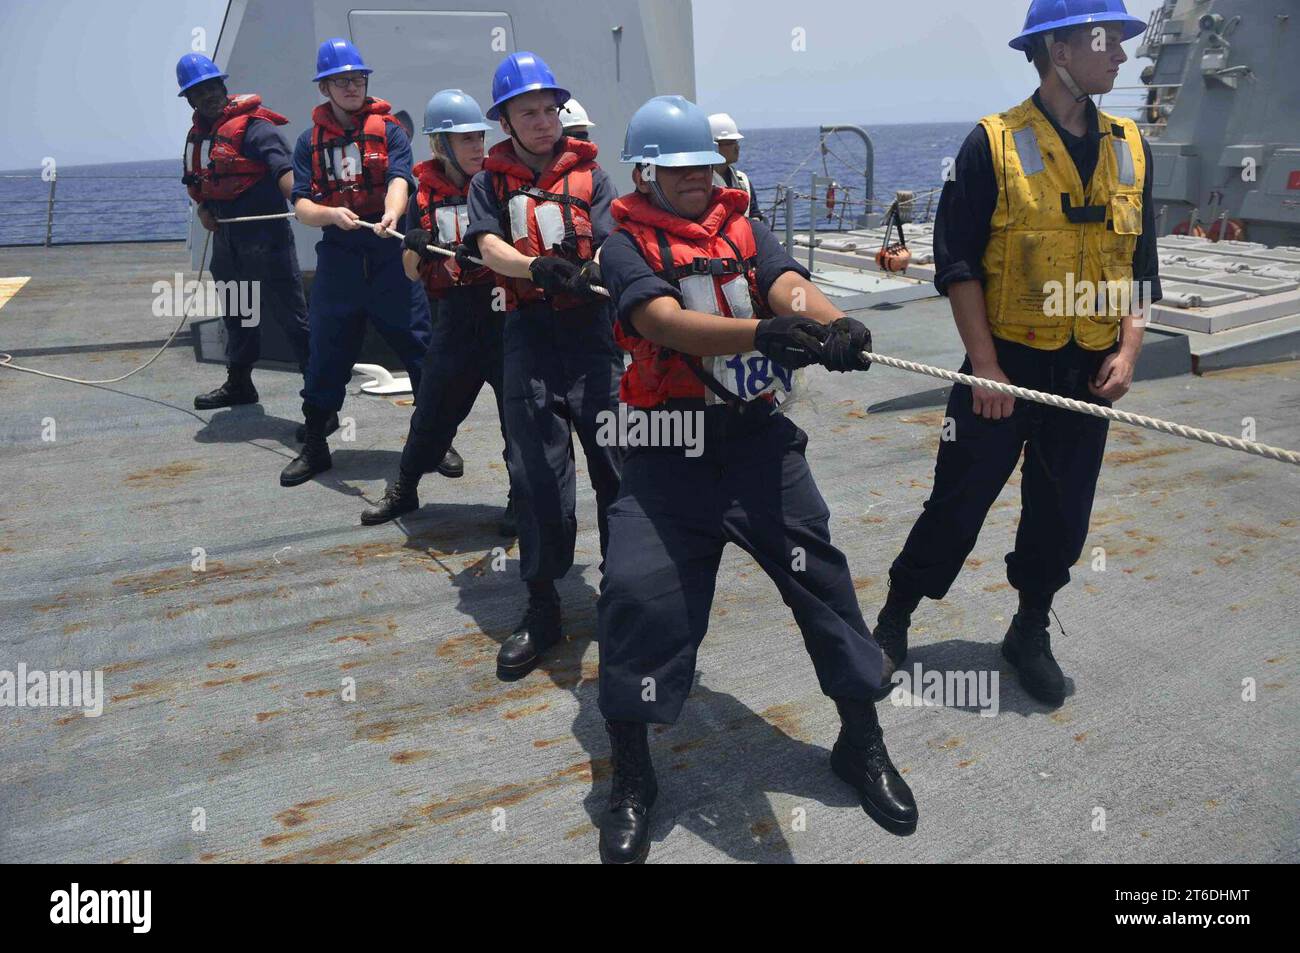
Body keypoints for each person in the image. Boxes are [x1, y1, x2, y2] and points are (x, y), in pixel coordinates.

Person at [592, 95, 917, 864]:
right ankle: (633, 775)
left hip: (757, 445)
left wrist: (833, 321)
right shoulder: (621, 244)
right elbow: (662, 322)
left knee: (826, 587)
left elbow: (784, 282)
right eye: (679, 171)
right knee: (639, 598)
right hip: (664, 448)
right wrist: (764, 333)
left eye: (705, 165)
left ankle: (860, 742)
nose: (698, 179)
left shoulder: (743, 225)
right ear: (645, 173)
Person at [872, 0, 1161, 707]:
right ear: (1058, 51)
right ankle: (896, 611)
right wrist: (987, 365)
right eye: (1107, 42)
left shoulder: (1133, 145)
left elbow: (1142, 266)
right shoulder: (991, 144)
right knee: (956, 505)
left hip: (1089, 374)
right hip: (1005, 366)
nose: (1122, 57)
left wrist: (1129, 349)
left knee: (1062, 516)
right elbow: (959, 265)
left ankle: (1029, 627)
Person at [462, 52, 622, 680]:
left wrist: (593, 267)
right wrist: (534, 268)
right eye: (526, 112)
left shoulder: (595, 176)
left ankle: (622, 590)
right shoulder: (487, 184)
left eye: (549, 110)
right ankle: (543, 603)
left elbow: (611, 236)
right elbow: (486, 246)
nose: (541, 121)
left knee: (617, 466)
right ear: (504, 119)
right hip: (528, 334)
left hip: (593, 335)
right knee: (536, 475)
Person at [280, 38, 434, 487]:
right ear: (325, 87)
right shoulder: (308, 142)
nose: (352, 87)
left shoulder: (390, 132)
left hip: (389, 252)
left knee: (419, 344)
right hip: (340, 257)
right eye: (342, 80)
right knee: (326, 349)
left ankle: (433, 439)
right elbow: (303, 206)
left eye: (358, 79)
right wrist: (331, 215)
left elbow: (400, 181)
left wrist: (391, 213)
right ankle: (315, 444)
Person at [361, 89, 513, 535]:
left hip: (505, 318)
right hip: (455, 318)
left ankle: (520, 498)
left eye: (478, 138)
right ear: (439, 145)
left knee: (519, 420)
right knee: (430, 413)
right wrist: (415, 245)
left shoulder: (500, 185)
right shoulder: (423, 195)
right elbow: (411, 274)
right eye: (464, 140)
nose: (477, 148)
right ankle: (405, 489)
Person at [177, 53, 311, 423]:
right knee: (239, 315)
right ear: (190, 100)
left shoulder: (255, 128)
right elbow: (202, 181)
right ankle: (240, 383)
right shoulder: (199, 137)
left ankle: (318, 400)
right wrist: (204, 208)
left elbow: (284, 171)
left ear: (224, 87)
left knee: (293, 320)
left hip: (267, 240)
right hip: (228, 242)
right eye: (199, 91)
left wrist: (302, 204)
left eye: (213, 87)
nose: (209, 95)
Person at [708, 112, 762, 221]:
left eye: (736, 143)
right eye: (730, 143)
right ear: (714, 146)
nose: (737, 148)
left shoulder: (742, 179)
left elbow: (754, 213)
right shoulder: (703, 182)